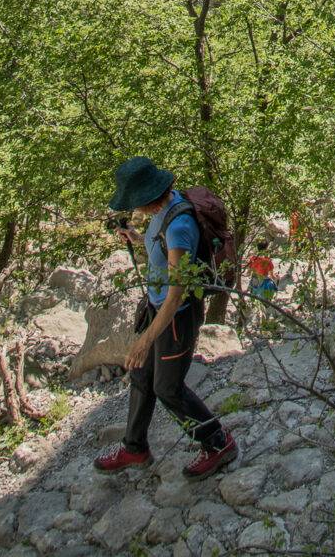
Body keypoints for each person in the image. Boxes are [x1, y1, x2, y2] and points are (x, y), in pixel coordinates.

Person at [94, 156, 238, 479]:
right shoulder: (164, 210)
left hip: (177, 317)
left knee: (167, 388)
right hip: (158, 309)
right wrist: (135, 238)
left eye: (134, 203)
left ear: (146, 197)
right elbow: (165, 259)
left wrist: (144, 341)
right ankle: (135, 448)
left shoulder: (180, 226)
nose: (133, 209)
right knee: (142, 378)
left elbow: (176, 295)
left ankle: (218, 442)